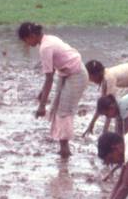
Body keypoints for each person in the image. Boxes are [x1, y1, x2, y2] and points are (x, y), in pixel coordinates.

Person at [17, 22, 88, 159]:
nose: (26, 44)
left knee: (64, 111)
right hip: (66, 72)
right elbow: (53, 71)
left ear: (31, 36)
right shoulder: (49, 39)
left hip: (77, 74)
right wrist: (43, 93)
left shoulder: (45, 47)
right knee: (56, 106)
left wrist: (42, 106)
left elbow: (49, 79)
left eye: (26, 40)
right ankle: (62, 146)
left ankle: (65, 149)